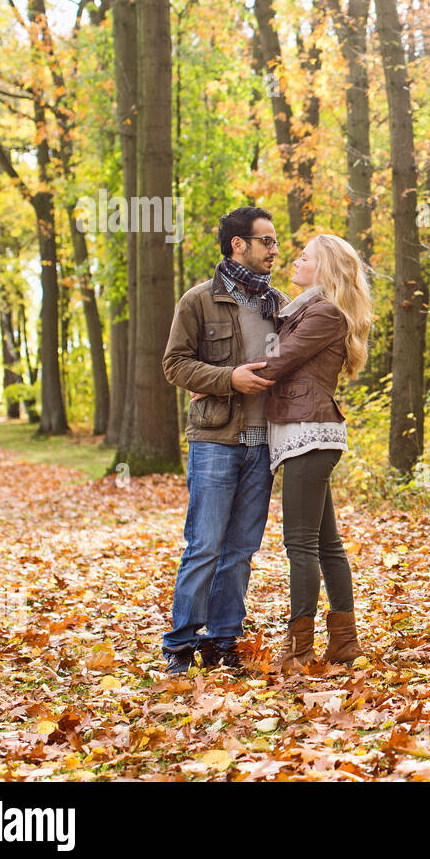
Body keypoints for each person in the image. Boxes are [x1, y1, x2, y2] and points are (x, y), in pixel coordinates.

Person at [159, 206, 285, 674]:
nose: (275, 250)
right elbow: (174, 364)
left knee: (241, 550)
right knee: (205, 545)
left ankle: (224, 640)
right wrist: (227, 377)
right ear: (239, 244)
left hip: (264, 444)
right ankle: (180, 644)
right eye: (266, 241)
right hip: (215, 439)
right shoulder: (198, 300)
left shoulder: (280, 304)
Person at [255, 233, 372, 671]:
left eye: (304, 257)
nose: (295, 262)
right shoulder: (309, 308)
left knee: (299, 544)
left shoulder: (322, 312)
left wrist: (221, 381)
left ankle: (299, 648)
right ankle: (343, 642)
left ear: (323, 268)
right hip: (308, 434)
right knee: (327, 544)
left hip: (309, 432)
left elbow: (277, 361)